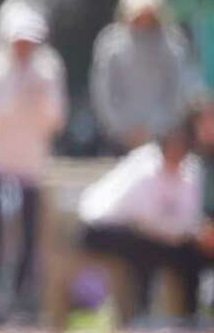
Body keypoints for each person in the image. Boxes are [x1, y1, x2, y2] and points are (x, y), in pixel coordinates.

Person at [0, 0, 67, 320]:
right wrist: (18, 102)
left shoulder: (48, 68)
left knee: (28, 233)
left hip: (31, 162)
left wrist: (33, 99)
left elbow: (56, 117)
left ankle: (23, 300)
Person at [77, 115, 213, 321]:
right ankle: (140, 314)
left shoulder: (190, 170)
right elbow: (146, 220)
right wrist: (190, 232)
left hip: (155, 234)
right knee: (146, 248)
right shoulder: (146, 166)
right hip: (103, 228)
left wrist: (197, 233)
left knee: (189, 253)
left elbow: (187, 217)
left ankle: (189, 316)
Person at [91, 0, 195, 153]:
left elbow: (178, 90)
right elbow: (103, 92)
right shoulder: (111, 44)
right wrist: (124, 128)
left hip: (163, 138)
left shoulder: (173, 44)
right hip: (121, 140)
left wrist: (157, 127)